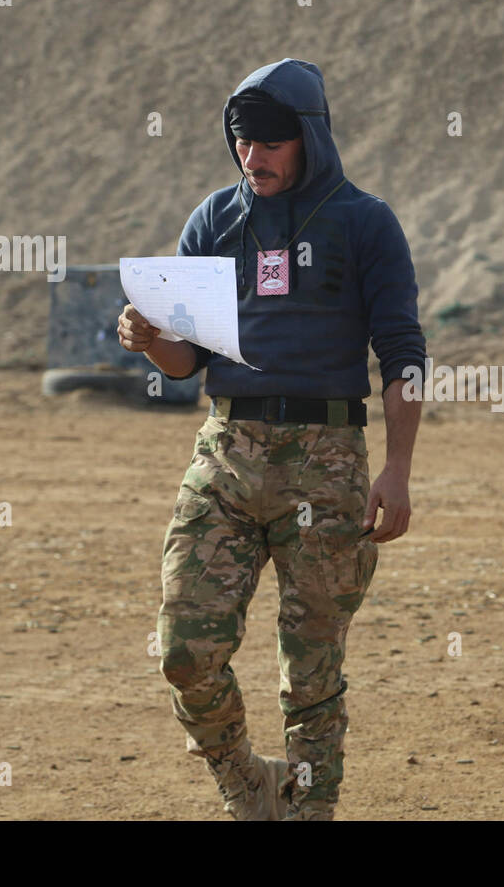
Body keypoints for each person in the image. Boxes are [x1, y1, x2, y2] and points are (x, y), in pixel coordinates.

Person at [118, 58, 425, 820]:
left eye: (270, 144)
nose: (252, 159)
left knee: (312, 673)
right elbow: (189, 359)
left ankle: (312, 810)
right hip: (225, 455)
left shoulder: (365, 223)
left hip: (328, 464)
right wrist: (148, 339)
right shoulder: (214, 221)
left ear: (310, 139)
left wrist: (399, 470)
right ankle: (248, 786)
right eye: (241, 143)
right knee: (185, 650)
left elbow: (403, 356)